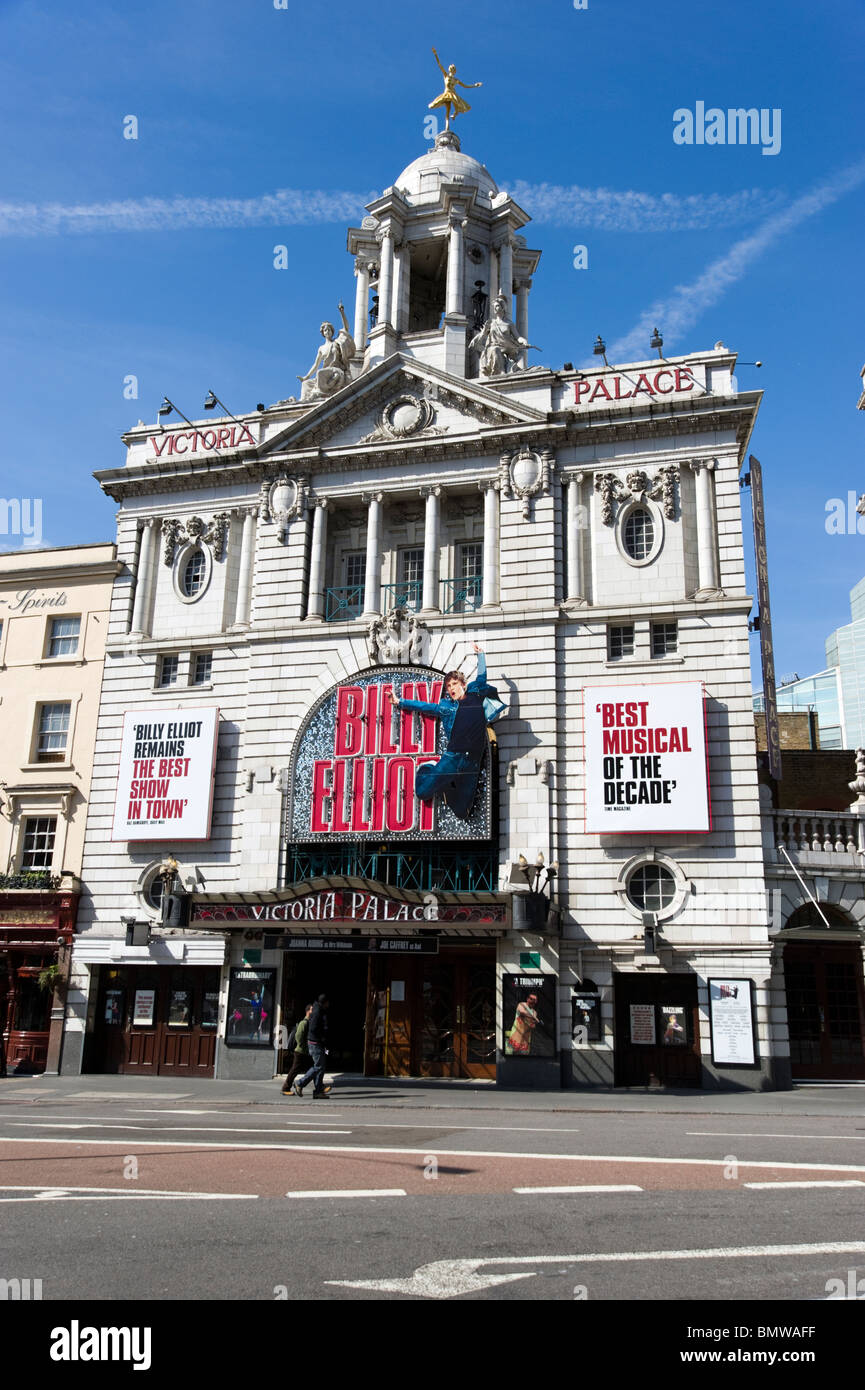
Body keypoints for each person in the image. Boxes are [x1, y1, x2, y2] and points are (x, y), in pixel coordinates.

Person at [389, 643, 506, 820]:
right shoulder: (446, 707)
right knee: (422, 792)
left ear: (464, 685)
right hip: (453, 757)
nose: (451, 688)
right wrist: (400, 702)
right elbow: (425, 706)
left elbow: (482, 676)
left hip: (473, 761)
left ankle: (448, 783)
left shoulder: (476, 694)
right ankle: (428, 767)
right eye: (448, 686)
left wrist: (481, 656)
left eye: (454, 684)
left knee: (461, 810)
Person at [297, 303, 355, 401]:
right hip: (325, 374)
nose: (327, 332)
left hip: (335, 371)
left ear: (332, 331)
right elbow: (316, 365)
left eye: (329, 330)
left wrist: (342, 312)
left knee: (320, 373)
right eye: (325, 330)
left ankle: (318, 394)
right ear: (323, 333)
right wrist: (306, 377)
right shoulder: (321, 348)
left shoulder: (337, 342)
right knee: (306, 384)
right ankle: (303, 402)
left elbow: (346, 328)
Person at [469, 293, 537, 376]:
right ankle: (501, 372)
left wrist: (524, 341)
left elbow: (518, 337)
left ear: (503, 307)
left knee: (518, 357)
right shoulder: (491, 323)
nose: (495, 308)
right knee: (495, 349)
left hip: (507, 349)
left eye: (497, 306)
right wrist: (484, 331)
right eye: (494, 306)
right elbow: (482, 335)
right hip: (492, 348)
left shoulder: (509, 324)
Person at [428, 48, 482, 131]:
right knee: (447, 111)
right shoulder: (446, 76)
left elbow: (465, 86)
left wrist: (475, 85)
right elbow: (440, 65)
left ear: (454, 71)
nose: (452, 71)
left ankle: (454, 115)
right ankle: (447, 126)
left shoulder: (456, 80)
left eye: (454, 70)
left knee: (457, 105)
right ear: (450, 70)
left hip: (453, 94)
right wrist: (435, 54)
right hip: (446, 94)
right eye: (452, 69)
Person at [293, 994, 332, 1098]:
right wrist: (322, 1039)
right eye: (328, 1002)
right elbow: (314, 1028)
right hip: (316, 1043)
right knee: (319, 1066)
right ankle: (300, 1083)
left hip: (317, 1043)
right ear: (325, 1002)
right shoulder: (318, 1012)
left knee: (321, 1066)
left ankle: (318, 1091)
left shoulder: (319, 1010)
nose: (329, 1004)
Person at [281, 1003, 313, 1095]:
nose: (313, 1012)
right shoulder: (304, 1023)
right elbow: (298, 1036)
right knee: (295, 1069)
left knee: (313, 1068)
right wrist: (302, 1046)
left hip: (304, 1051)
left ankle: (318, 1087)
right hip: (300, 1051)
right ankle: (285, 1088)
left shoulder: (308, 1022)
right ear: (308, 1011)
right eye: (312, 1010)